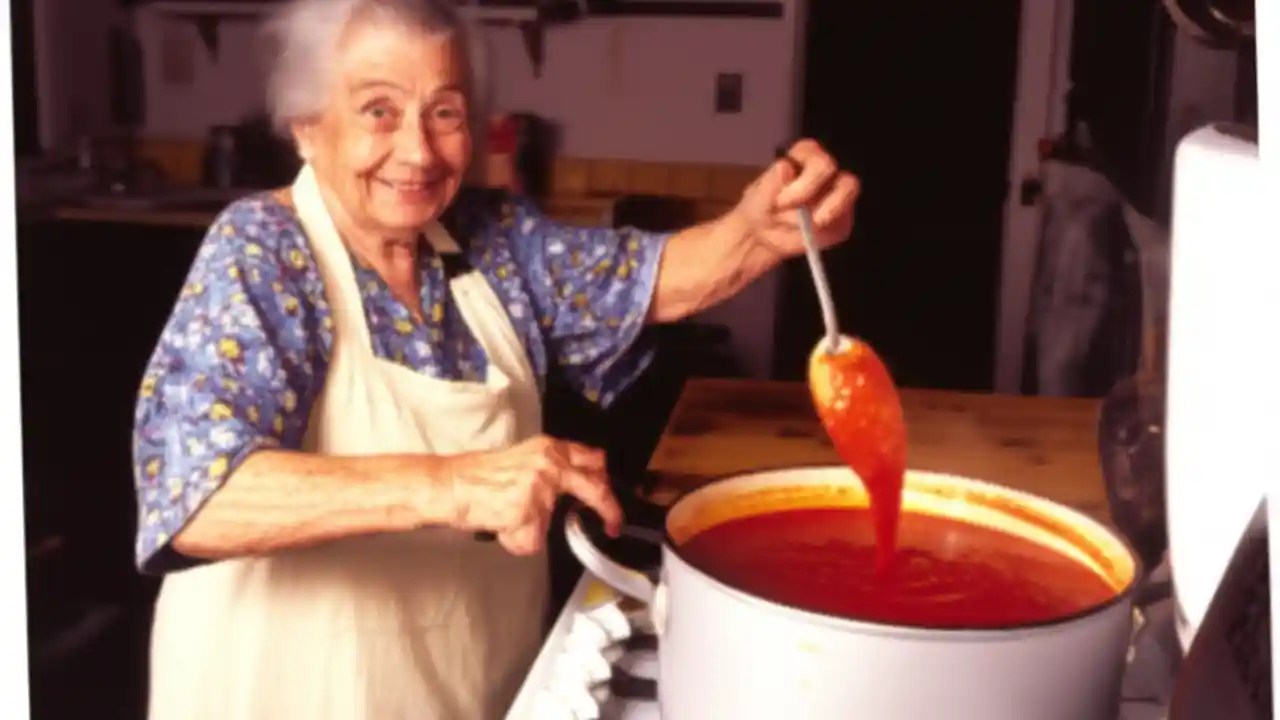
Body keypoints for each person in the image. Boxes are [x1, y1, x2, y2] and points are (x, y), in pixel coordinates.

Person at [130, 0, 860, 718]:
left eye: (444, 113)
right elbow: (200, 497)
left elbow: (650, 278)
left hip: (476, 692)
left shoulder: (492, 240)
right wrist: (455, 485)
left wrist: (760, 231)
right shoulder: (262, 247)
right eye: (379, 110)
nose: (418, 150)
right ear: (308, 127)